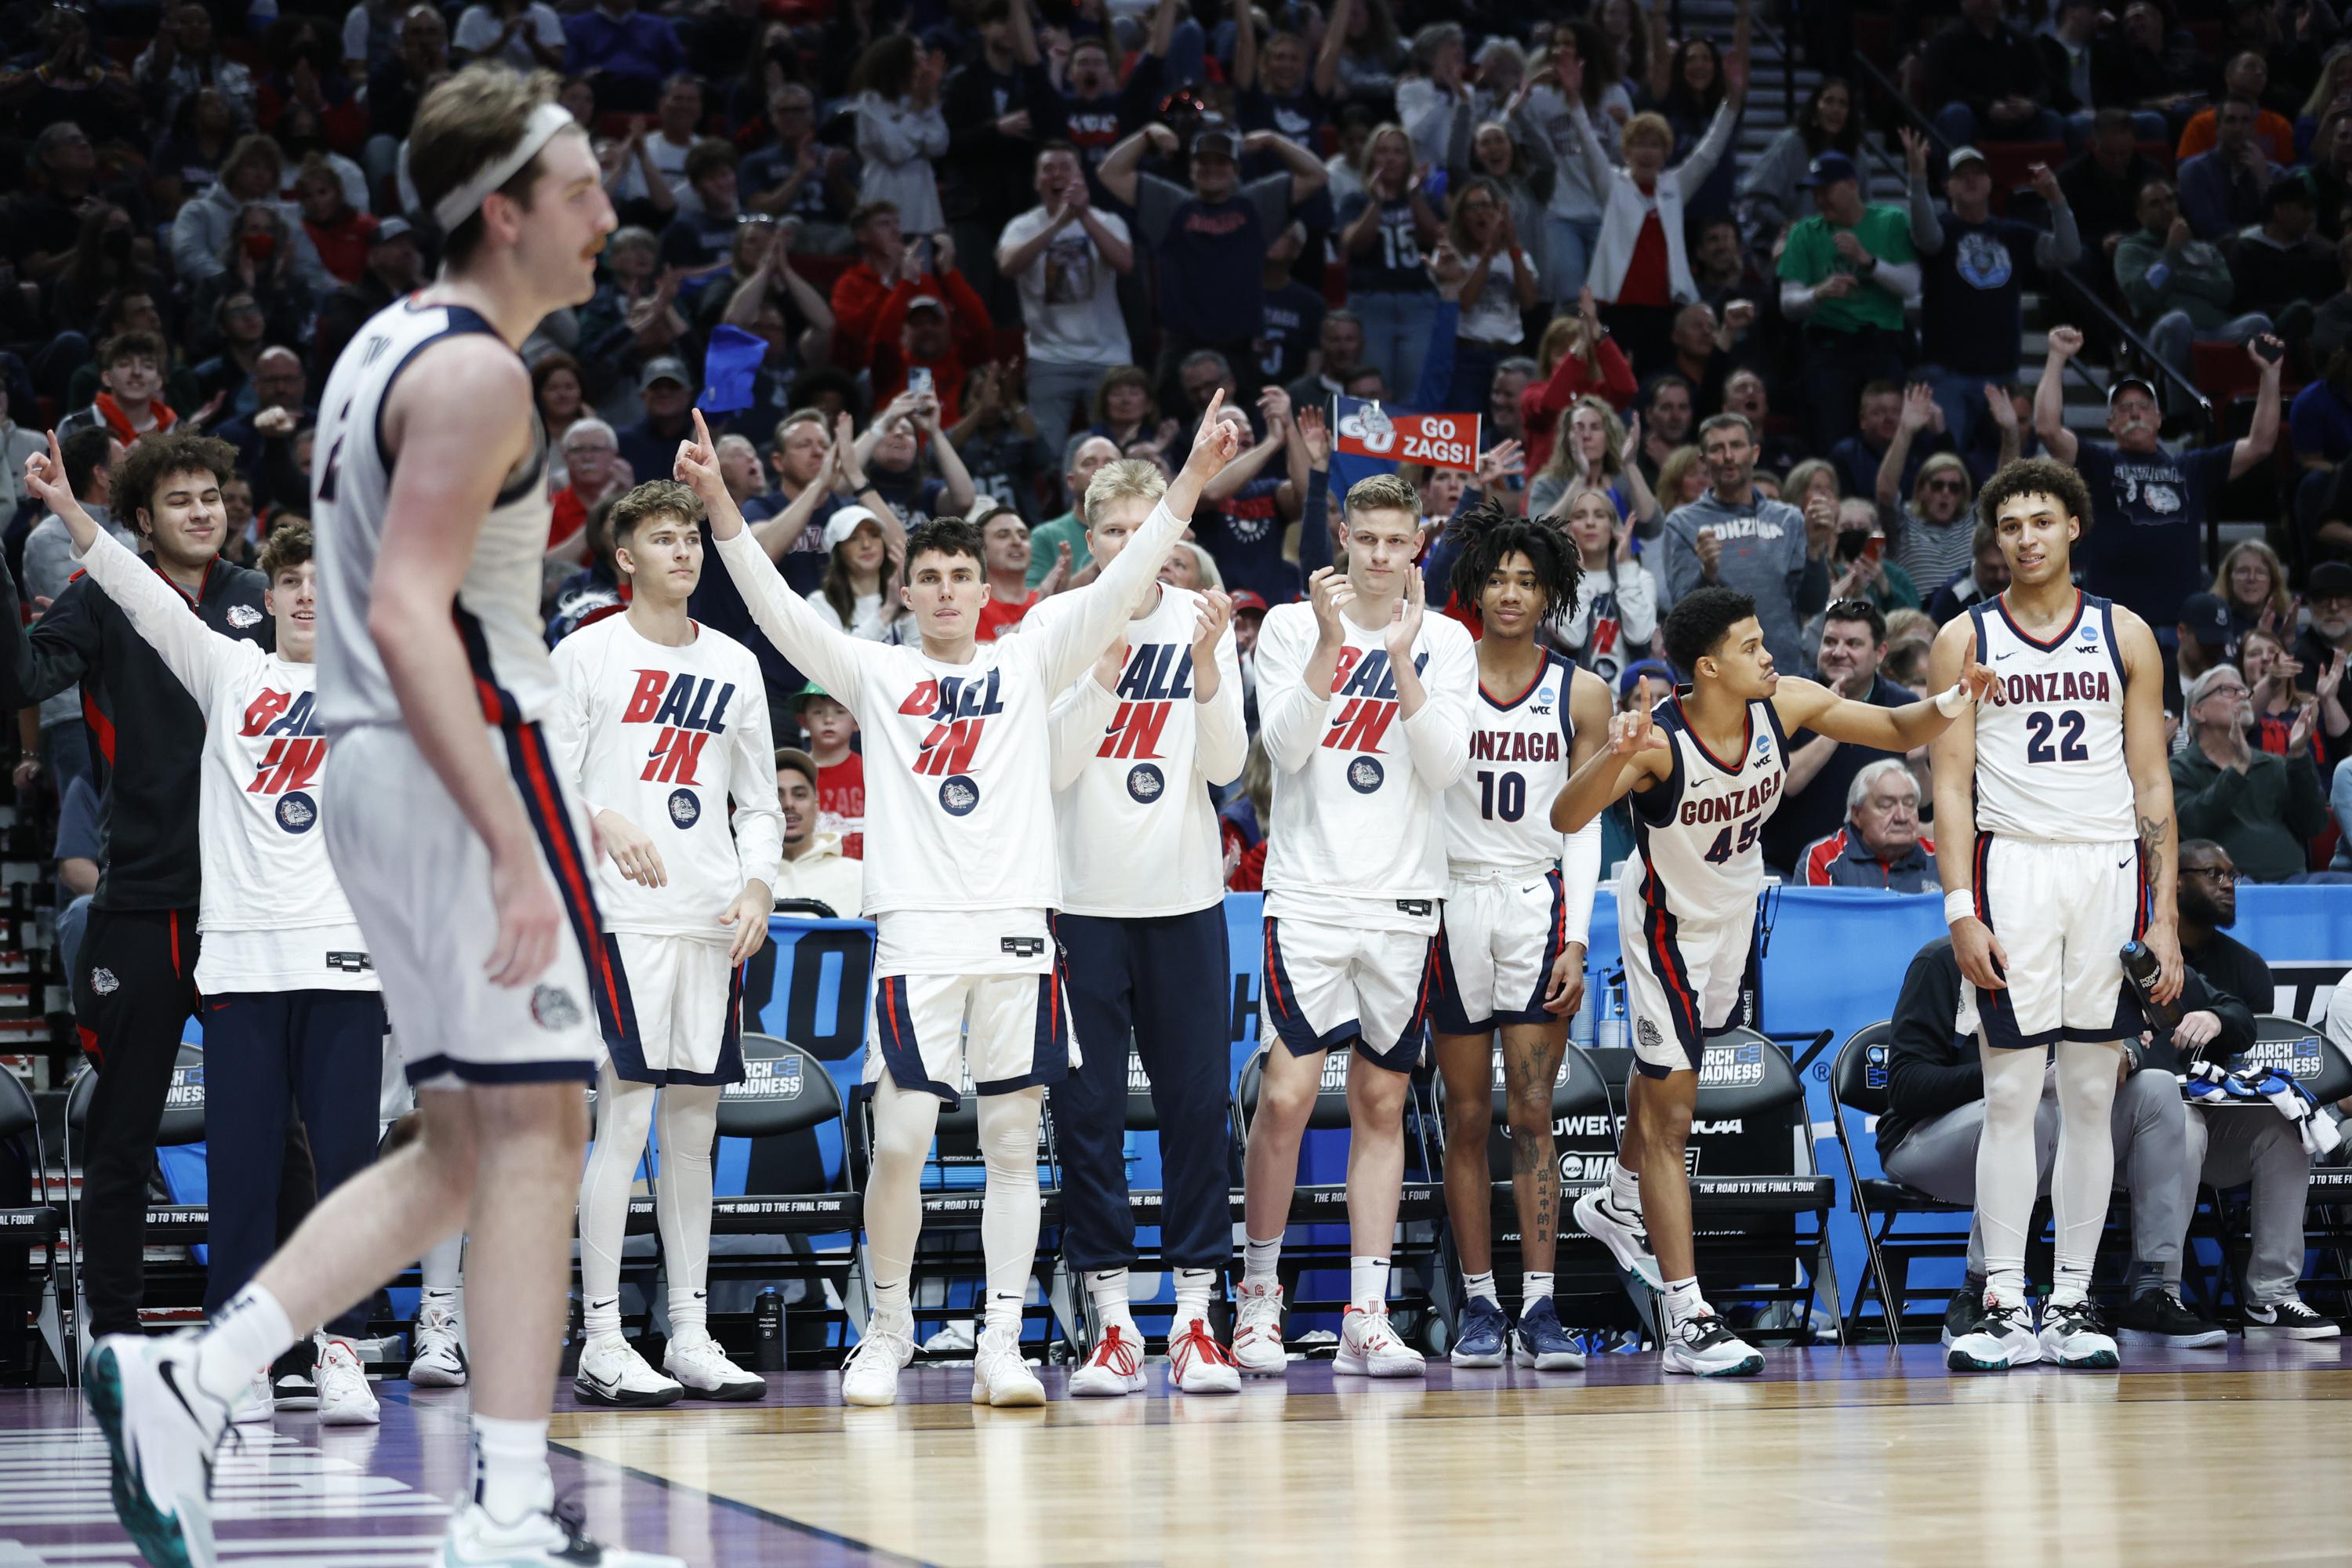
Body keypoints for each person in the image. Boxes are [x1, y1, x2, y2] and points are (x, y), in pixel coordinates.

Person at [84, 69, 684, 1568]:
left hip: (368, 769)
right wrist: (511, 840)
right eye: (580, 189)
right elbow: (414, 613)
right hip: (453, 762)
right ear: (504, 211)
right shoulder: (477, 374)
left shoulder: (379, 346)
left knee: (474, 1139)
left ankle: (203, 1377)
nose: (607, 212)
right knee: (540, 1127)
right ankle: (508, 1507)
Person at [691, 390, 1243, 1409]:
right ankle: (888, 1326)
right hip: (918, 938)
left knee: (1010, 1144)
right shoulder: (875, 671)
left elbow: (1134, 571)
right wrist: (723, 508)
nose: (946, 592)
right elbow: (773, 608)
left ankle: (1000, 1340)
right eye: (930, 578)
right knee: (902, 1139)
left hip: (1019, 935)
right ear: (905, 589)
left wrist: (1197, 476)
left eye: (960, 577)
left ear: (982, 590)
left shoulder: (1029, 656)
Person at [22, 452, 387, 1422]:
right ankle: (242, 1350)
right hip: (236, 953)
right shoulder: (226, 667)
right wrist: (69, 510)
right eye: (293, 582)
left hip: (343, 955)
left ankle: (340, 1346)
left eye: (324, 585)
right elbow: (138, 594)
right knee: (243, 1167)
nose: (308, 597)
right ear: (266, 600)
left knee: (342, 1165)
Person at [1556, 585, 1994, 1375]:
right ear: (1708, 667)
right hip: (1665, 930)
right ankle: (1687, 1315)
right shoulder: (1661, 745)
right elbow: (1565, 815)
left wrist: (1957, 696)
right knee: (1675, 1111)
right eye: (1751, 646)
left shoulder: (1784, 703)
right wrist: (1613, 753)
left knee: (1664, 1080)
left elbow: (1899, 728)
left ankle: (1619, 1196)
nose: (1770, 655)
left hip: (1733, 920)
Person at [0, 431, 272, 1353]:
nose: (202, 511)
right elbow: (23, 676)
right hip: (144, 902)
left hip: (251, 903)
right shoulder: (103, 593)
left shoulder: (265, 595)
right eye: (180, 499)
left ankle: (290, 1341)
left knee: (280, 1133)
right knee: (123, 1130)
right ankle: (114, 1334)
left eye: (212, 495)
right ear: (143, 521)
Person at [1927, 456, 2183, 1375]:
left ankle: (2071, 1299)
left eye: (2042, 520)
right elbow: (1948, 786)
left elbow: (2153, 781)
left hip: (2107, 867)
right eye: (2010, 525)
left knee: (2089, 1094)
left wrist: (2164, 918)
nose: (2027, 537)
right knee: (2008, 1093)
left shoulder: (2127, 633)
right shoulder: (1964, 636)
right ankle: (2003, 1299)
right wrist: (1960, 908)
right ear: (1993, 540)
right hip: (2014, 867)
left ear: (2074, 526)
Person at [1233, 472, 1476, 1381]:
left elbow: (1445, 765)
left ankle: (1365, 1313)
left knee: (1382, 1102)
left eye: (1395, 540)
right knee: (1286, 1097)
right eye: (1365, 537)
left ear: (1419, 543)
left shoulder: (1446, 640)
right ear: (1342, 533)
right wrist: (1334, 644)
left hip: (1404, 897)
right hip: (1309, 892)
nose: (1378, 554)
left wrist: (1403, 658)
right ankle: (1258, 1296)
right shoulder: (1292, 626)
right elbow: (1284, 749)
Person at [551, 479, 782, 1409]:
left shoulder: (734, 662)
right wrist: (601, 815)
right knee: (626, 1119)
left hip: (711, 917)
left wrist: (759, 883)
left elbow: (759, 800)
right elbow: (542, 779)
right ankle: (603, 1338)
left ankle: (688, 1330)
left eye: (691, 536)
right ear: (625, 557)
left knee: (694, 1132)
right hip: (625, 917)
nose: (684, 550)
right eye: (663, 538)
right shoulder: (586, 653)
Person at [1042, 457, 1247, 1399]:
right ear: (1090, 540)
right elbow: (1049, 766)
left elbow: (1228, 766)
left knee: (1196, 1111)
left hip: (1186, 899)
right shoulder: (1055, 623)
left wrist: (1205, 668)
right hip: (1083, 904)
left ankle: (1198, 1317)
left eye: (1147, 527)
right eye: (1116, 530)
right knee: (1087, 1117)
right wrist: (1098, 676)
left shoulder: (1204, 617)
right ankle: (1114, 1321)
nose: (1134, 544)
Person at [1428, 506, 1610, 1370]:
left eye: (1526, 581)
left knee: (1534, 1113)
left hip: (1536, 900)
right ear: (1474, 587)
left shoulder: (1581, 691)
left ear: (1549, 594)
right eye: (1497, 577)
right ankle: (1478, 1302)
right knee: (1466, 1114)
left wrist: (1577, 937)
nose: (1510, 593)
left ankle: (1540, 1304)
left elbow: (1585, 823)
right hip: (1452, 900)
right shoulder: (1438, 675)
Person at [1874, 935, 2217, 1357]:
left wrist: (2125, 1054)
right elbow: (1906, 1086)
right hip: (1927, 1139)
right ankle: (1981, 1293)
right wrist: (2017, 1076)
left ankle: (2152, 1289)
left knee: (2158, 1090)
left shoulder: (2081, 957)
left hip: (2050, 1131)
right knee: (2028, 1108)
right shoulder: (1943, 960)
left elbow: (2127, 1037)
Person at [2173, 840, 2338, 1337]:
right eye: (2213, 874)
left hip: (2215, 1119)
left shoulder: (2246, 967)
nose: (2228, 885)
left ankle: (2272, 1296)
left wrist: (2217, 1020)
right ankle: (2155, 1293)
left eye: (2232, 875)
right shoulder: (2136, 954)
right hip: (2136, 1124)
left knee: (2286, 1126)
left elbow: (2249, 1057)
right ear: (2173, 882)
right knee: (2179, 1124)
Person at [2033, 328, 2284, 628]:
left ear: (2158, 419)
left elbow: (2260, 445)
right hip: (2113, 625)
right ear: (2110, 423)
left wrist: (2270, 375)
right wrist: (2057, 356)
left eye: (2143, 407)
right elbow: (2048, 429)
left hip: (2180, 626)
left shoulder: (2193, 467)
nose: (2135, 414)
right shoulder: (2099, 463)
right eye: (2124, 409)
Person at [1900, 135, 2082, 458]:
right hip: (1946, 375)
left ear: (1990, 183)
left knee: (2010, 468)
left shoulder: (2013, 233)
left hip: (2003, 376)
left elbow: (2068, 252)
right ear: (1947, 187)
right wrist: (1916, 177)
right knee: (1944, 465)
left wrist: (2056, 199)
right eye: (1961, 175)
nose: (1971, 180)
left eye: (1978, 173)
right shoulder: (1941, 229)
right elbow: (1925, 235)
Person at [1658, 412, 1830, 680]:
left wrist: (1816, 552)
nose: (1728, 456)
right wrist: (1707, 574)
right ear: (1704, 460)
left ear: (1755, 453)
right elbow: (1684, 616)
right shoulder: (1682, 523)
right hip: (1718, 680)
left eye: (1737, 445)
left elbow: (1812, 603)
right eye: (1717, 448)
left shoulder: (1789, 519)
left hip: (1783, 673)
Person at [1777, 152, 1918, 454]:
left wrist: (1868, 261)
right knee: (1829, 441)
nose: (1819, 199)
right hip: (1829, 352)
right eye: (1815, 192)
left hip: (1881, 349)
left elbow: (1911, 285)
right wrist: (1818, 293)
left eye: (1826, 190)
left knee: (1887, 439)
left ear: (1852, 185)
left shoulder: (1890, 222)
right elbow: (1788, 303)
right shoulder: (1804, 232)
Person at [1763, 599, 1916, 873]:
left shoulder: (1902, 705)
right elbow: (1781, 784)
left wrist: (1920, 763)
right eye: (1830, 642)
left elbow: (1923, 803)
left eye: (1853, 644)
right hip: (1788, 868)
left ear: (1880, 652)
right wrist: (1834, 720)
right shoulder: (1788, 696)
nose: (1838, 652)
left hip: (1878, 871)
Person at [996, 143, 1134, 446]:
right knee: (1046, 452)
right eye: (1048, 169)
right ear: (1037, 181)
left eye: (1065, 168)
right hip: (1049, 357)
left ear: (1080, 177)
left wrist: (1083, 216)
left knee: (1115, 449)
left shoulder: (1107, 221)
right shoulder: (1021, 227)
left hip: (1108, 355)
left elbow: (1125, 263)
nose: (1056, 175)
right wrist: (1057, 223)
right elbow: (1007, 266)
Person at [2112, 180, 2274, 391]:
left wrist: (2175, 280)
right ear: (2140, 215)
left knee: (2259, 323)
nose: (2166, 208)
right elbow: (2143, 294)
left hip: (2217, 330)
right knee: (2178, 321)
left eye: (2170, 200)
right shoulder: (2131, 250)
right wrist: (2171, 252)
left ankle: (2249, 405)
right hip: (2160, 334)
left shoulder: (2203, 248)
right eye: (2155, 204)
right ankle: (2178, 411)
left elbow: (2224, 292)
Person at [2169, 665, 2326, 882]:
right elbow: (2192, 828)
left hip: (2294, 882)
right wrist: (2237, 769)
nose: (2242, 696)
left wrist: (2299, 755)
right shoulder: (2179, 770)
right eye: (2227, 690)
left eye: (2244, 691)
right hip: (2225, 886)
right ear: (2198, 712)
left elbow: (2314, 824)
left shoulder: (2272, 765)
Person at [1798, 757, 1937, 889]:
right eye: (1886, 805)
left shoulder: (1940, 858)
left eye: (1909, 804)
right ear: (1857, 815)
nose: (1901, 817)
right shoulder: (1823, 858)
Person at [771, 748, 864, 916]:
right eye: (778, 796)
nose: (789, 804)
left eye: (799, 795)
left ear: (816, 806)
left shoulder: (859, 876)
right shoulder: (740, 877)